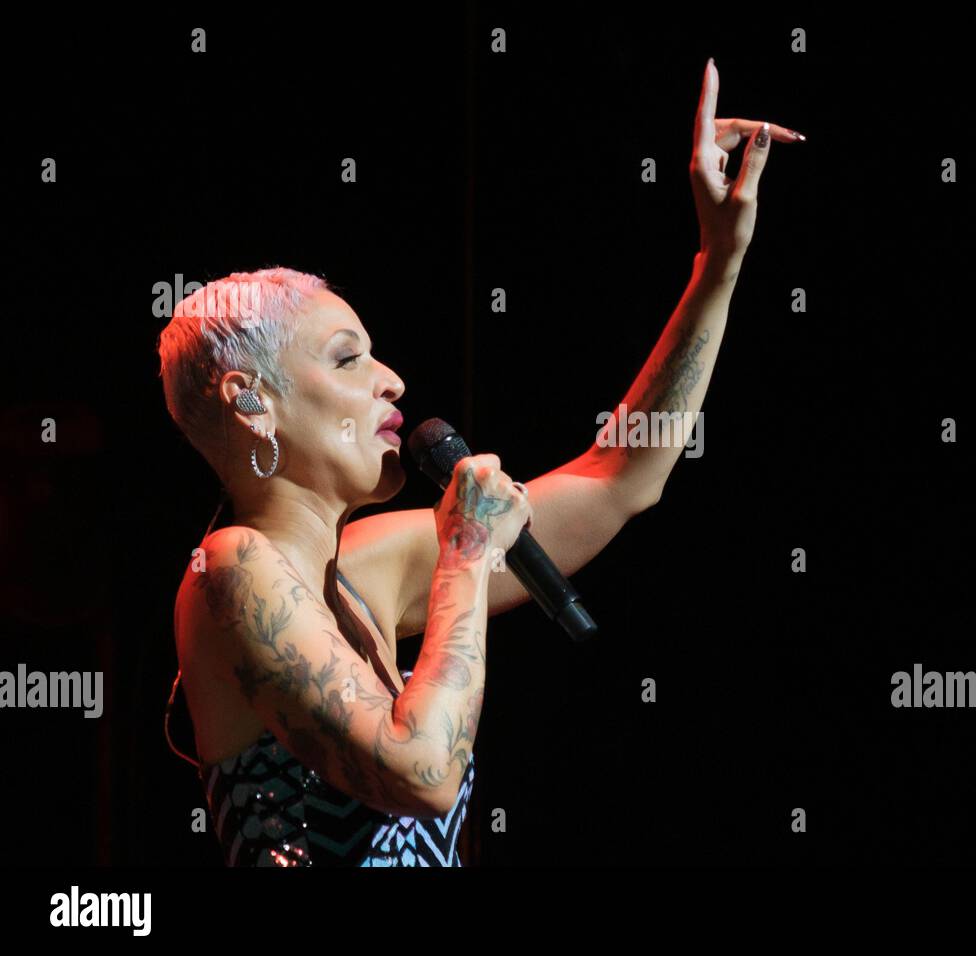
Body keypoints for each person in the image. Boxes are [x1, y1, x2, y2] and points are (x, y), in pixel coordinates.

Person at [155, 59, 800, 866]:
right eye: (348, 358)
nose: (390, 379)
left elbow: (621, 479)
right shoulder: (231, 567)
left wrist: (718, 264)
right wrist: (464, 551)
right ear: (253, 401)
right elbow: (420, 769)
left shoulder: (360, 569)